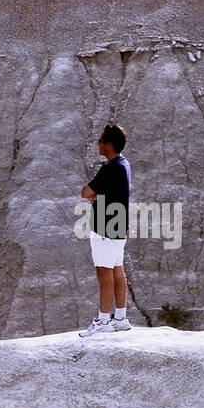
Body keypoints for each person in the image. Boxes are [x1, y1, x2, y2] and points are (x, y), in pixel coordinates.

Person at [79, 124, 132, 336]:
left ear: (108, 145)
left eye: (101, 140)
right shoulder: (123, 163)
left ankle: (103, 320)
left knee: (104, 271)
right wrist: (98, 196)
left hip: (105, 225)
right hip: (119, 224)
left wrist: (96, 196)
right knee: (117, 269)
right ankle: (120, 317)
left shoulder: (109, 168)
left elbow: (85, 193)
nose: (98, 143)